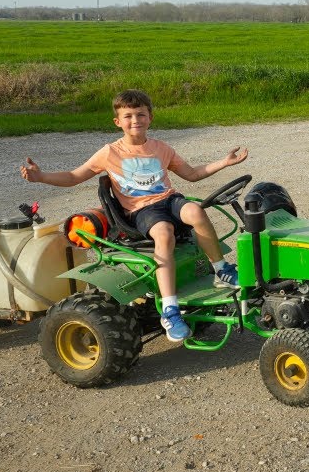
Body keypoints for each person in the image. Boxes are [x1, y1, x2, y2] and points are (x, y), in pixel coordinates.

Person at [21, 89, 249, 342]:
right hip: (141, 211)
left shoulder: (161, 148)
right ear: (118, 122)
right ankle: (171, 310)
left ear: (150, 117)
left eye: (140, 114)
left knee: (195, 210)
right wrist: (40, 177)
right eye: (128, 116)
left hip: (168, 200)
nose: (135, 120)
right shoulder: (110, 152)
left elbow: (192, 174)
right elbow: (75, 176)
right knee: (164, 233)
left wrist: (223, 163)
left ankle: (222, 269)